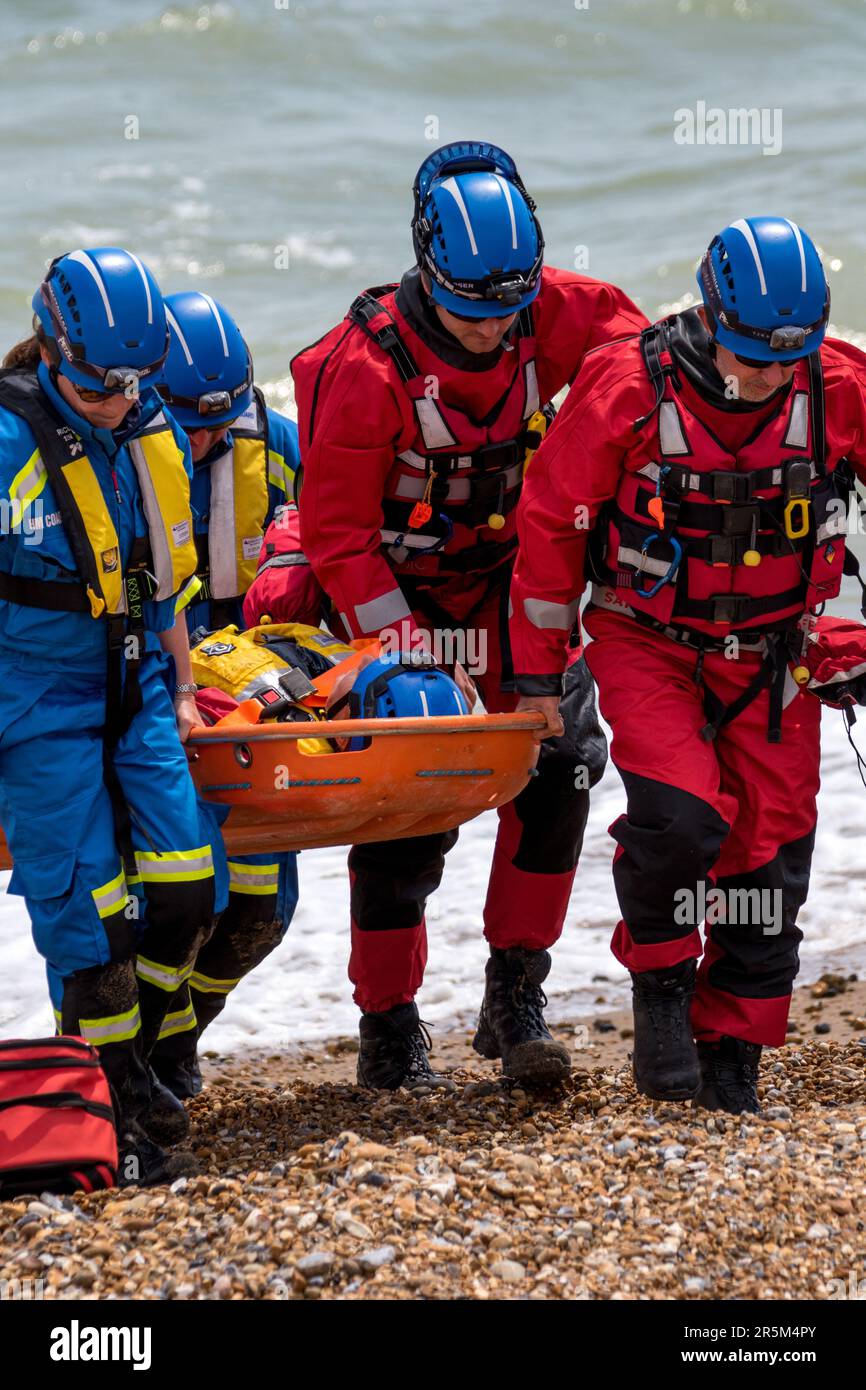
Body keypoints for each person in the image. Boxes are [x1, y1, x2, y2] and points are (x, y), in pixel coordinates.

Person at [283, 140, 647, 1089]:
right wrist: (412, 656)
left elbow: (642, 371)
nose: (492, 329)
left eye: (508, 309)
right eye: (469, 310)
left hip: (510, 583)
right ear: (425, 270)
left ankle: (515, 989)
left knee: (564, 763)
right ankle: (388, 1024)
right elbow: (338, 537)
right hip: (397, 599)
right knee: (410, 799)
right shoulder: (363, 367)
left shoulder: (560, 308)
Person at [509, 216, 866, 1113]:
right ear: (711, 318)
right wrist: (539, 676)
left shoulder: (838, 385)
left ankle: (734, 1056)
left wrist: (848, 629)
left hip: (778, 654)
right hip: (647, 638)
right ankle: (662, 991)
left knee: (773, 853)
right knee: (678, 820)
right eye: (753, 355)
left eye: (790, 358)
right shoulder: (627, 385)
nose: (771, 376)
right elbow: (553, 524)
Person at [0, 248, 216, 1182]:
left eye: (137, 384)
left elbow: (161, 585)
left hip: (135, 691)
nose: (123, 403)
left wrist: (185, 686)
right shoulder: (7, 441)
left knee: (185, 887)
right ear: (53, 353)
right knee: (90, 922)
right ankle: (111, 1101)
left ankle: (146, 1058)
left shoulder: (144, 423)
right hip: (35, 704)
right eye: (101, 387)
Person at [147, 291, 302, 1100]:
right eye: (186, 420)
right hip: (148, 703)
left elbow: (336, 536)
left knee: (261, 911)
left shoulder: (275, 449)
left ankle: (180, 1036)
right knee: (156, 904)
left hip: (250, 699)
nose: (202, 440)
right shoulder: (114, 457)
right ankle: (121, 1063)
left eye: (219, 420)